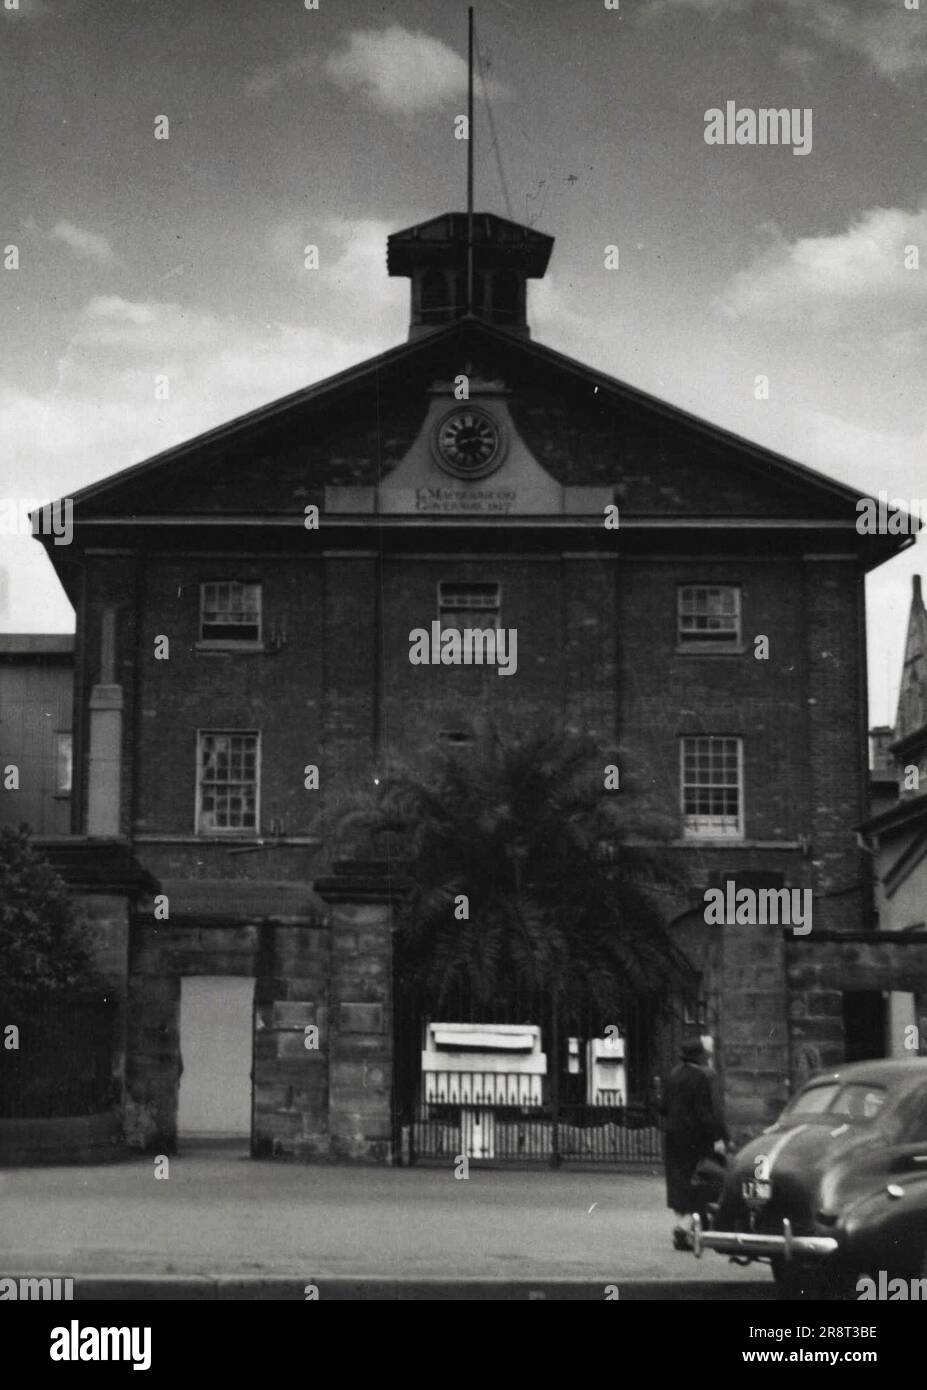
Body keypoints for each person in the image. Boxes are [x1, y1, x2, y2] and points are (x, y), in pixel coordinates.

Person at [661, 1036, 729, 1250]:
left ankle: (685, 1226)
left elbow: (662, 1106)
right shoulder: (699, 1078)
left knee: (678, 1182)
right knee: (700, 1182)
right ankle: (685, 1228)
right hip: (694, 1139)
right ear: (699, 1056)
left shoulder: (672, 1075)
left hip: (672, 1137)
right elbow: (704, 1112)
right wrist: (718, 1137)